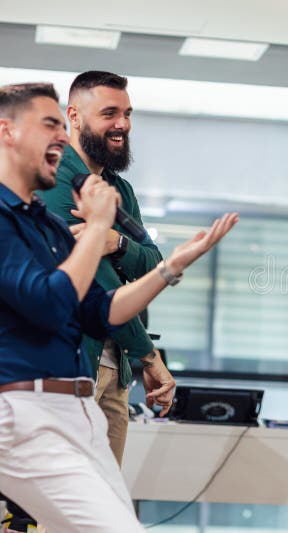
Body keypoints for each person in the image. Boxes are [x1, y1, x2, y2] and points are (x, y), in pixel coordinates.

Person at [0, 82, 237, 532]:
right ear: (6, 131)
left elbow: (98, 309)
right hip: (25, 411)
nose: (59, 139)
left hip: (77, 406)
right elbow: (49, 303)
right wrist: (97, 232)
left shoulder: (43, 226)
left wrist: (171, 267)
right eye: (49, 125)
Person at [37, 71, 174, 466]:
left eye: (128, 113)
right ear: (74, 116)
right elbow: (94, 285)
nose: (123, 125)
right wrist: (148, 354)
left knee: (103, 507)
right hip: (69, 365)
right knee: (61, 510)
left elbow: (152, 264)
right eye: (110, 113)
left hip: (114, 368)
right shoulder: (54, 177)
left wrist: (113, 242)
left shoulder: (120, 190)